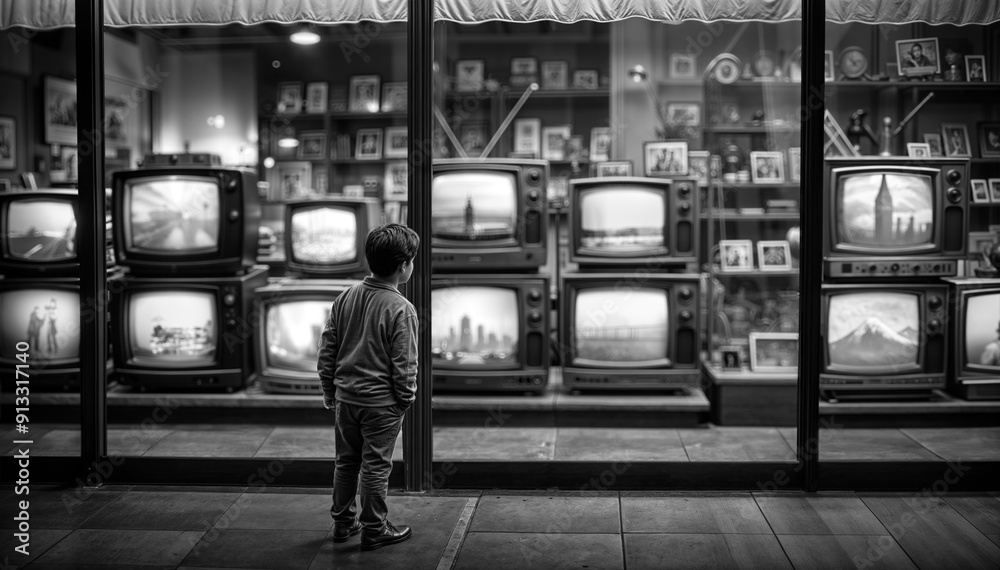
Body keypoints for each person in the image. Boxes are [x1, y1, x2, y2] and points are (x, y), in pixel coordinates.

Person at [318, 223, 420, 550]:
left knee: (346, 463)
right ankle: (375, 528)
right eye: (412, 260)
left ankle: (342, 524)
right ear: (404, 266)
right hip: (381, 404)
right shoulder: (401, 308)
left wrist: (329, 390)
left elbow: (327, 349)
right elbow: (405, 363)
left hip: (345, 399)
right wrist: (404, 400)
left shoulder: (345, 297)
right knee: (376, 466)